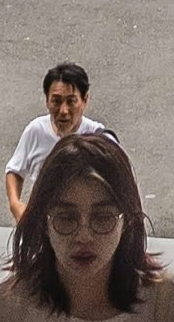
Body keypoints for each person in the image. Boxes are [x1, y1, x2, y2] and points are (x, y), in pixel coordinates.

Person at [0, 131, 174, 322]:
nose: (84, 236)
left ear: (128, 220)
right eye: (66, 218)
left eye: (102, 218)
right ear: (43, 221)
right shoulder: (0, 310)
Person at [9, 63, 115, 221]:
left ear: (85, 100)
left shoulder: (100, 139)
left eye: (71, 102)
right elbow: (15, 170)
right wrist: (15, 204)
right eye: (56, 101)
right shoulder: (35, 130)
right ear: (47, 101)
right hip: (42, 222)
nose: (63, 111)